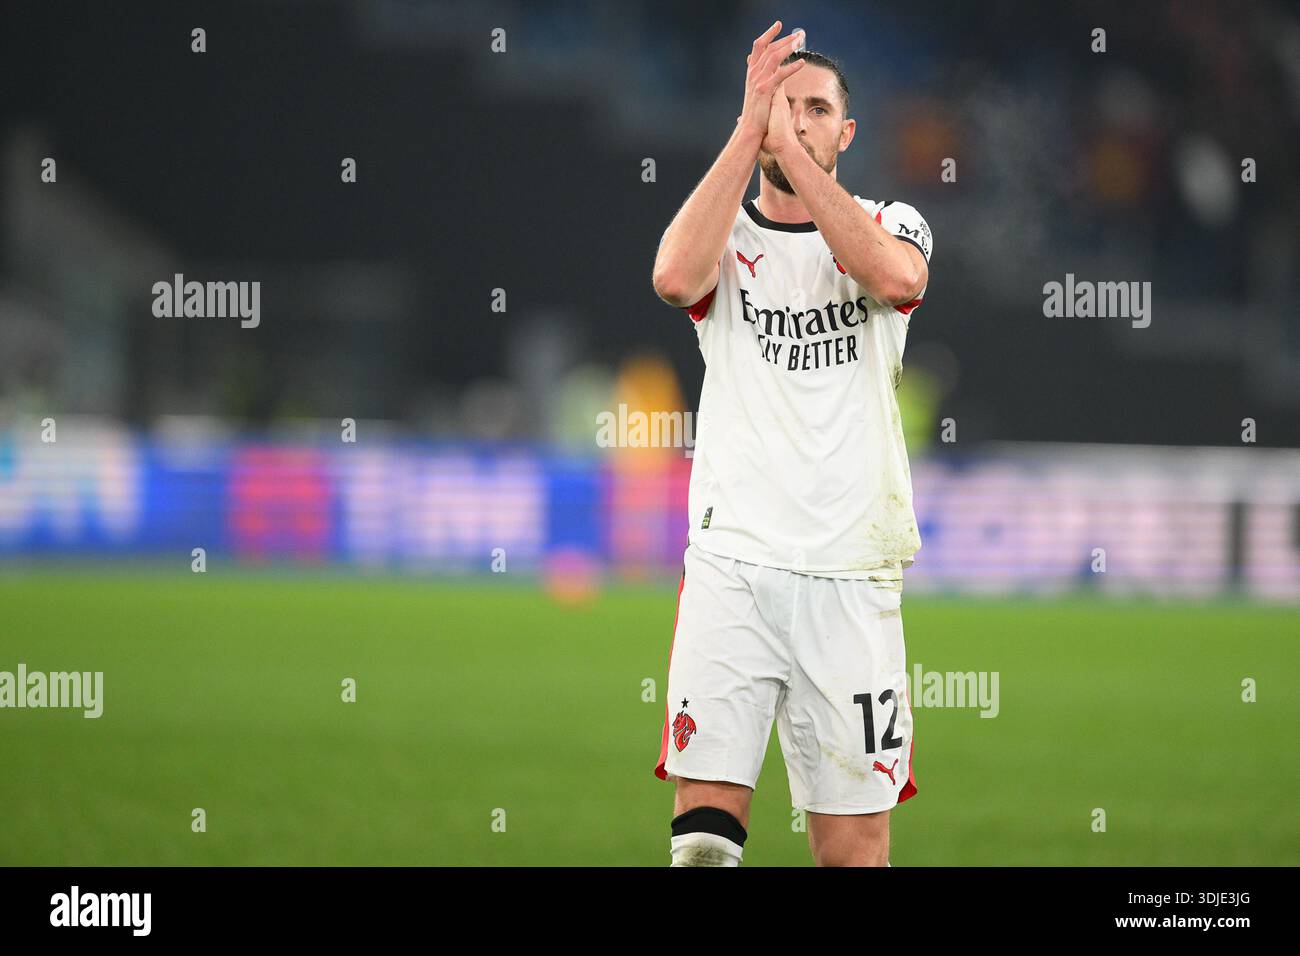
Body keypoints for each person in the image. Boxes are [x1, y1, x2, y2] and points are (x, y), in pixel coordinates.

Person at [650, 20, 933, 867]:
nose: (796, 120)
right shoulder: (726, 238)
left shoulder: (893, 221)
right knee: (702, 845)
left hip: (850, 577)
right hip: (732, 567)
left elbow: (893, 279)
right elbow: (671, 278)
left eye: (816, 110)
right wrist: (749, 132)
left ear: (846, 133)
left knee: (853, 853)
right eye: (784, 104)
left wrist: (794, 160)